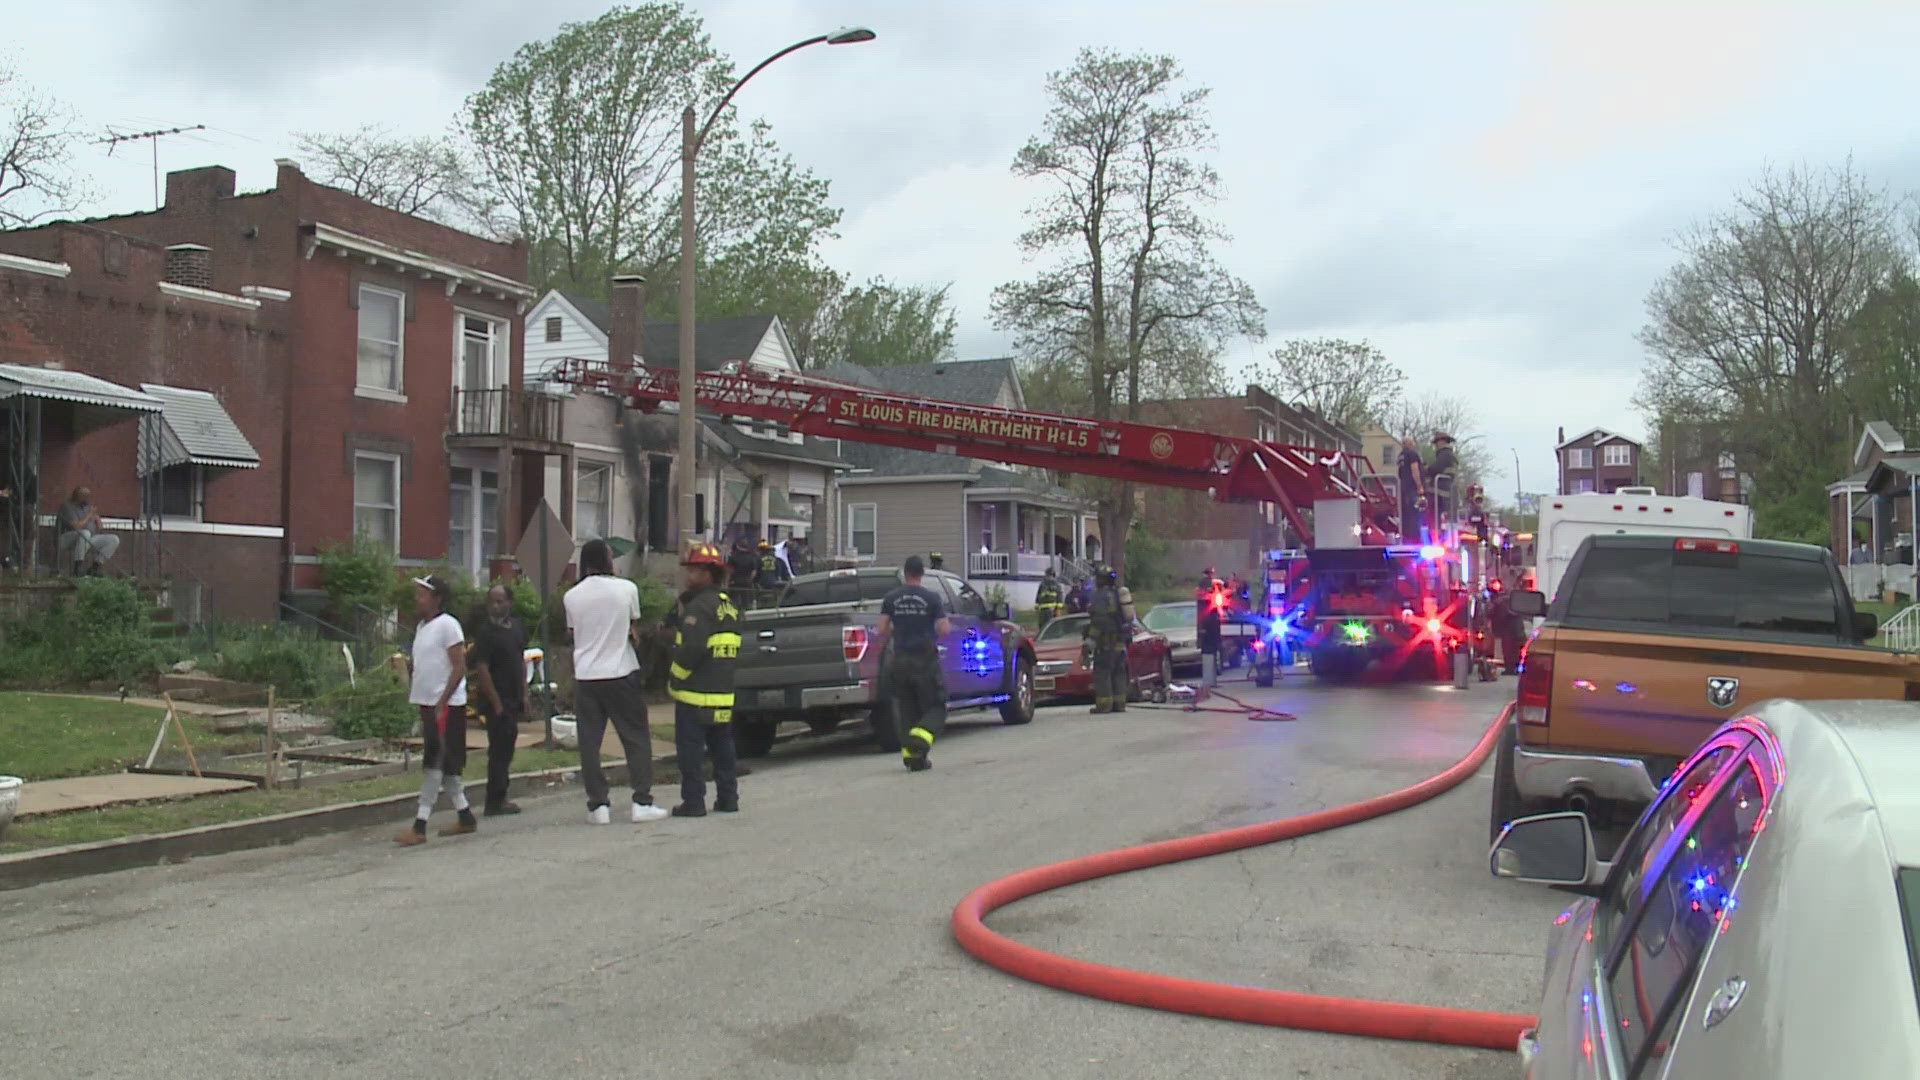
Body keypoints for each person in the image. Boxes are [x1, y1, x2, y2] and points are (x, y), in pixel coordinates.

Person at [563, 538, 668, 825]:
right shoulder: (627, 589)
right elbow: (631, 627)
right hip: (621, 670)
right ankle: (641, 801)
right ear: (606, 559)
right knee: (635, 737)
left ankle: (598, 805)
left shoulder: (572, 596)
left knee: (589, 742)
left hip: (586, 675)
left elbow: (573, 633)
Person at [396, 575, 476, 846]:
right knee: (448, 766)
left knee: (434, 763)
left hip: (446, 706)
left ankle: (420, 825)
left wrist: (443, 702)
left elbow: (459, 667)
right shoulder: (422, 627)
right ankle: (465, 816)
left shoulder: (449, 626)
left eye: (422, 595)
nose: (417, 599)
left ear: (437, 598)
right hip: (427, 703)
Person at [667, 541, 742, 816]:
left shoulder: (699, 608)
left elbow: (691, 650)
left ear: (709, 573)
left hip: (695, 694)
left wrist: (675, 680)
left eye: (695, 571)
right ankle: (728, 798)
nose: (689, 577)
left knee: (691, 752)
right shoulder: (729, 607)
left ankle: (694, 802)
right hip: (722, 693)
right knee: (723, 748)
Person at [878, 554, 950, 772]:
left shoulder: (891, 598)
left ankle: (913, 758)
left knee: (908, 710)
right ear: (922, 574)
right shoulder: (932, 598)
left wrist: (900, 630)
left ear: (905, 573)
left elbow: (882, 629)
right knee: (936, 706)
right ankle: (921, 741)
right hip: (924, 660)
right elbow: (944, 629)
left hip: (899, 660)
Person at [466, 583, 529, 816]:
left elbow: (520, 660)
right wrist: (496, 703)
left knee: (507, 747)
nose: (495, 605)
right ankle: (495, 800)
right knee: (499, 750)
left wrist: (524, 693)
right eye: (492, 601)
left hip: (514, 698)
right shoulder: (486, 634)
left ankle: (501, 795)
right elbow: (482, 669)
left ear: (509, 603)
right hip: (497, 702)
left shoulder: (517, 628)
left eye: (500, 601)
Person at [1086, 564, 1131, 714]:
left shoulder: (1100, 596)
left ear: (1101, 579)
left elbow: (1099, 620)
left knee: (1102, 673)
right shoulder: (1118, 594)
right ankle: (1120, 704)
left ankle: (1104, 705)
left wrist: (1091, 639)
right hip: (1120, 642)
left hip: (1105, 643)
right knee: (1119, 673)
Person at [57, 486, 119, 576]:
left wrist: (97, 520)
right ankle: (77, 567)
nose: (87, 498)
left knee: (114, 539)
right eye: (84, 495)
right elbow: (76, 526)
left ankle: (96, 566)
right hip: (67, 538)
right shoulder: (67, 507)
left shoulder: (88, 507)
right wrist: (89, 516)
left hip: (88, 538)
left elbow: (100, 527)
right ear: (77, 496)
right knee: (85, 533)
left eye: (88, 495)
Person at [1395, 438, 1426, 543]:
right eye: (1413, 442)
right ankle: (1415, 538)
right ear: (1409, 444)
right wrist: (1419, 485)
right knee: (1415, 513)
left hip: (1403, 488)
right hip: (1412, 488)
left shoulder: (1400, 456)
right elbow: (1414, 470)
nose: (1414, 444)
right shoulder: (1412, 454)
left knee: (1405, 515)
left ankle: (1406, 537)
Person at [1428, 433, 1458, 536]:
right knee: (1442, 514)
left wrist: (1426, 469)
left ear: (1442, 441)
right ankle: (1440, 533)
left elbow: (1436, 468)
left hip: (1440, 489)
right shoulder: (1450, 454)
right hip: (1445, 488)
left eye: (1437, 442)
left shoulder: (1444, 454)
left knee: (1433, 514)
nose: (1436, 445)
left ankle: (1435, 534)